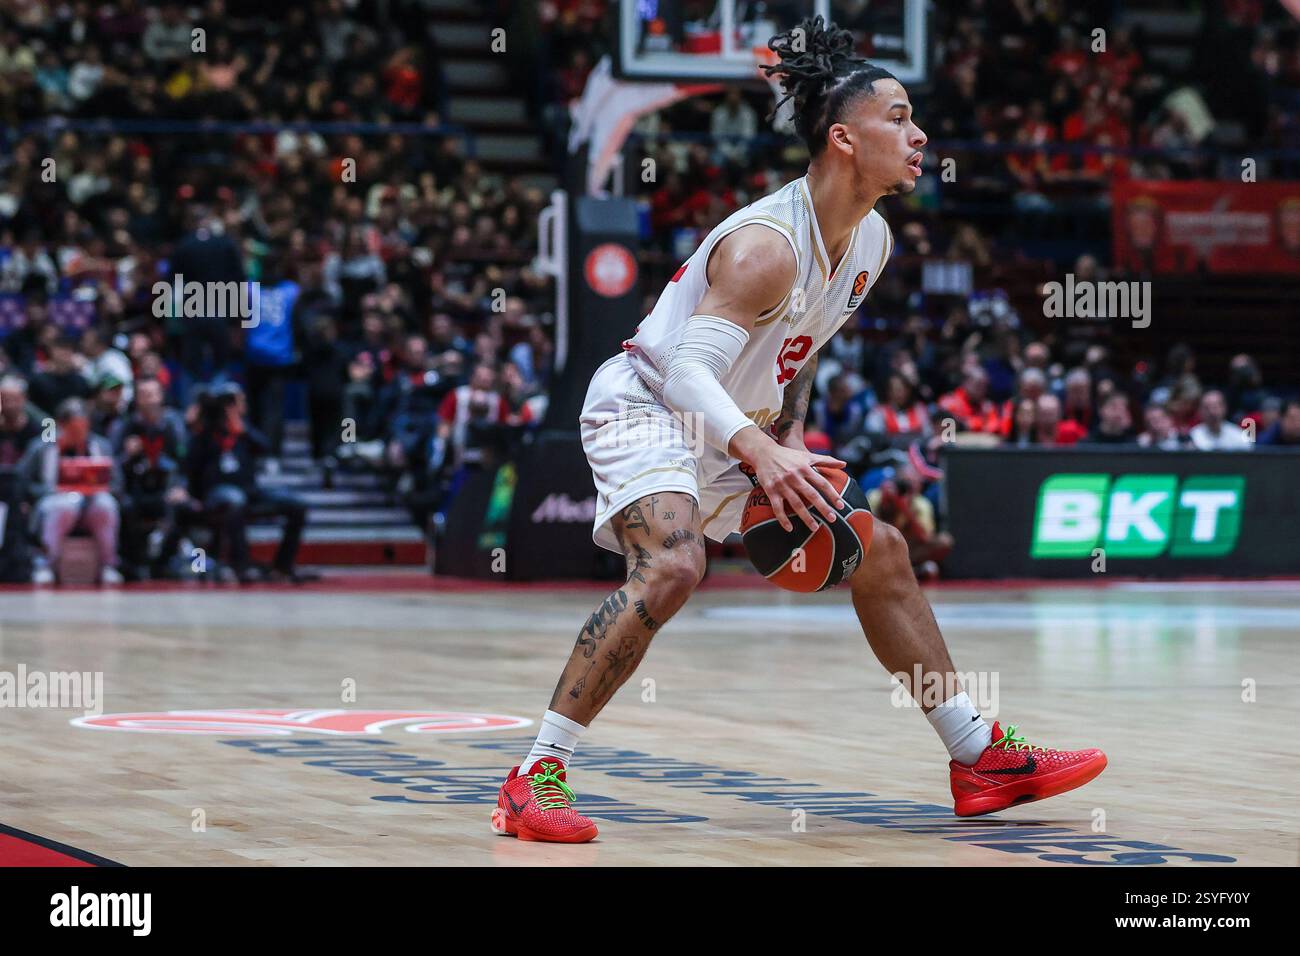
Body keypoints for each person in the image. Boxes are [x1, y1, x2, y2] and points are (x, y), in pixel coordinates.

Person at [492, 17, 1106, 844]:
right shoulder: (764, 248)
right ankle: (535, 776)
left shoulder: (871, 240)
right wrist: (761, 451)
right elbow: (684, 372)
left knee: (880, 549)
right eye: (898, 117)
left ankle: (978, 756)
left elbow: (802, 343)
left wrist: (791, 433)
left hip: (739, 425)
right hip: (648, 405)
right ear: (844, 139)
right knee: (676, 564)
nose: (919, 133)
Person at [18, 398, 123, 586]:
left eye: (83, 426)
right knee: (65, 505)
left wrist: (100, 487)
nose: (79, 432)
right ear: (61, 424)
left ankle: (109, 565)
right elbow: (23, 482)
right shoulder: (42, 446)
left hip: (92, 503)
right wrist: (51, 490)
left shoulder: (101, 446)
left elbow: (118, 483)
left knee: (106, 505)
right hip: (53, 503)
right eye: (74, 427)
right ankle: (45, 565)